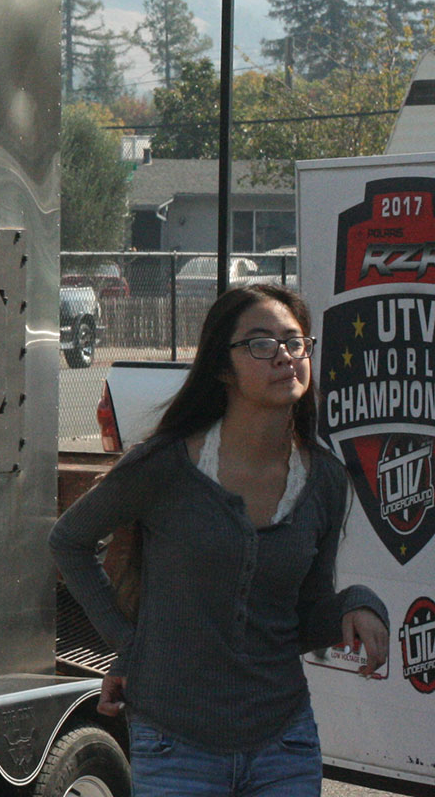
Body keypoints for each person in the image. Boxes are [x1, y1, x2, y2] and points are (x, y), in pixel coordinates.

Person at [52, 282, 388, 797]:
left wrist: (358, 606)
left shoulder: (324, 481)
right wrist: (129, 644)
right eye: (260, 343)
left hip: (285, 745)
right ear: (221, 367)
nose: (283, 356)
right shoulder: (164, 464)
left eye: (295, 343)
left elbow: (303, 618)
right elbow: (68, 542)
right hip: (174, 745)